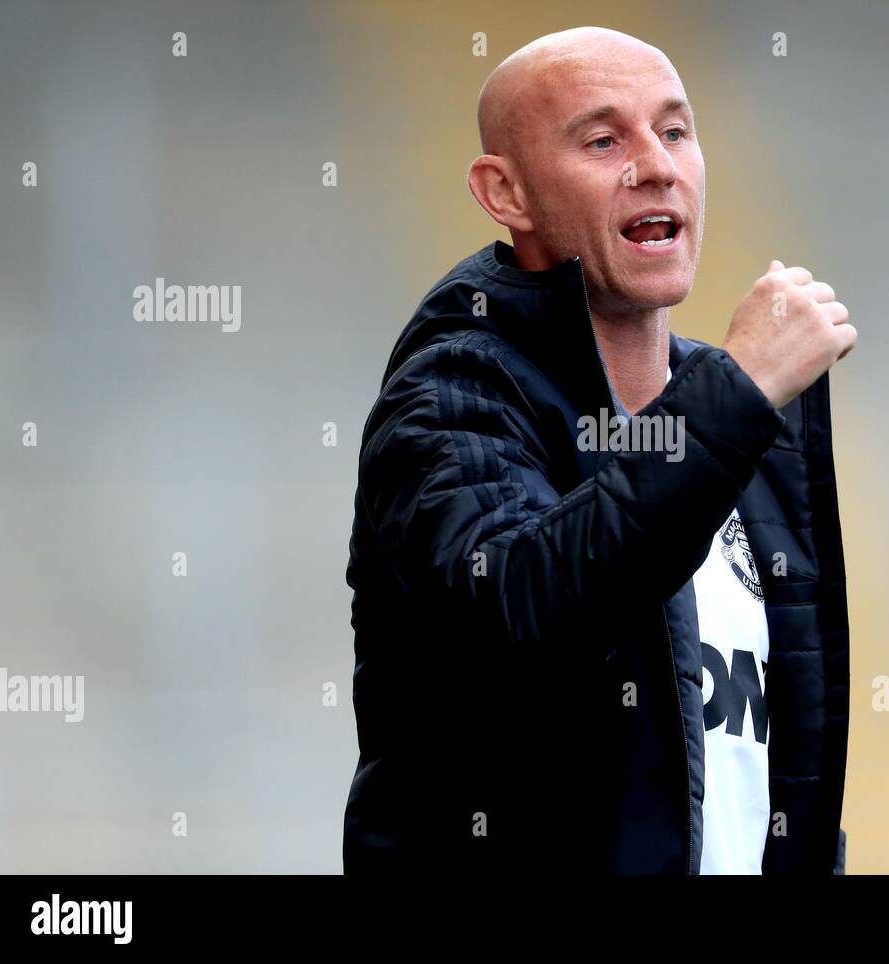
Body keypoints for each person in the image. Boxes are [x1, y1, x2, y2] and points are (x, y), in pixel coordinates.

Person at [343, 26, 856, 875]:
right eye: (603, 140)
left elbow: (785, 775)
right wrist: (738, 396)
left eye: (675, 131)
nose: (657, 165)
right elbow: (526, 608)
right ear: (505, 192)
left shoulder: (737, 419)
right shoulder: (454, 392)